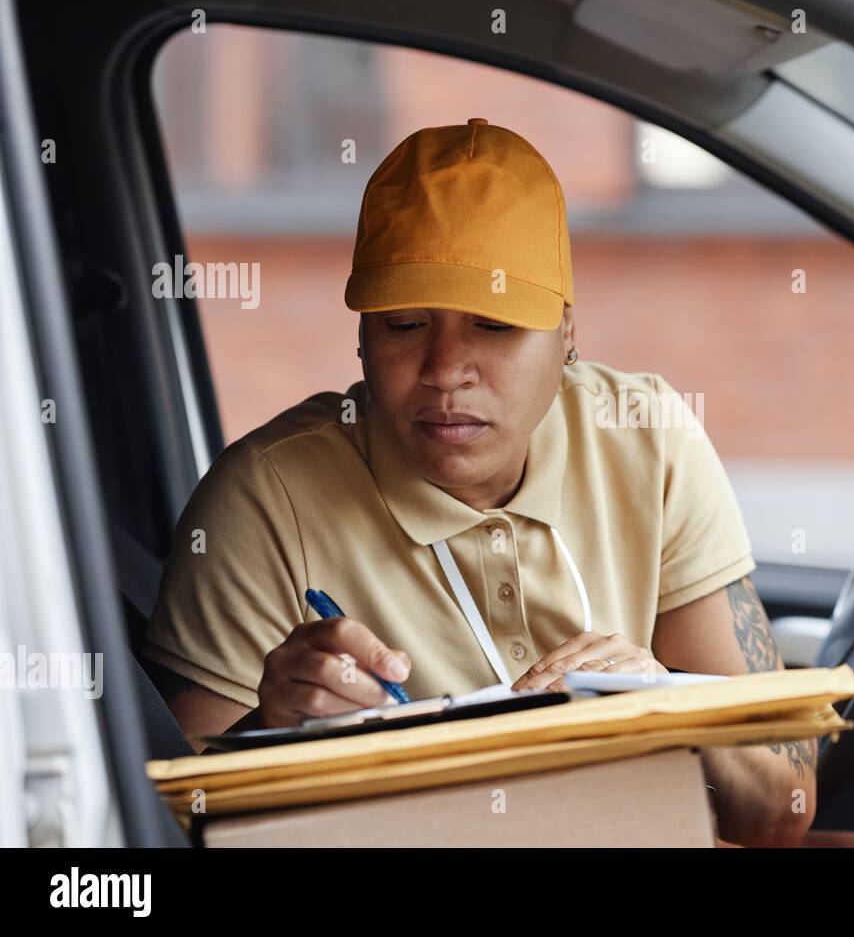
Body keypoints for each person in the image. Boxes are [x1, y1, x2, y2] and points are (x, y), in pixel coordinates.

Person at [142, 118, 815, 847]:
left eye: (494, 325)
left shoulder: (646, 434)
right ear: (361, 336)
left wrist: (659, 708)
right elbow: (169, 825)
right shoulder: (264, 497)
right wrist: (271, 732)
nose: (444, 369)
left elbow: (782, 814)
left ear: (566, 335)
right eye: (404, 324)